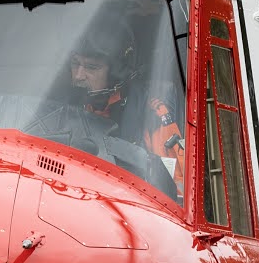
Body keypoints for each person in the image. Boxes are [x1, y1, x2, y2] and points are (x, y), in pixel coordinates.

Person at [65, 24, 186, 185]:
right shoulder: (62, 103)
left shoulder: (152, 114)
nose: (79, 76)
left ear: (116, 73)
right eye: (75, 64)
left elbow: (175, 186)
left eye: (91, 67)